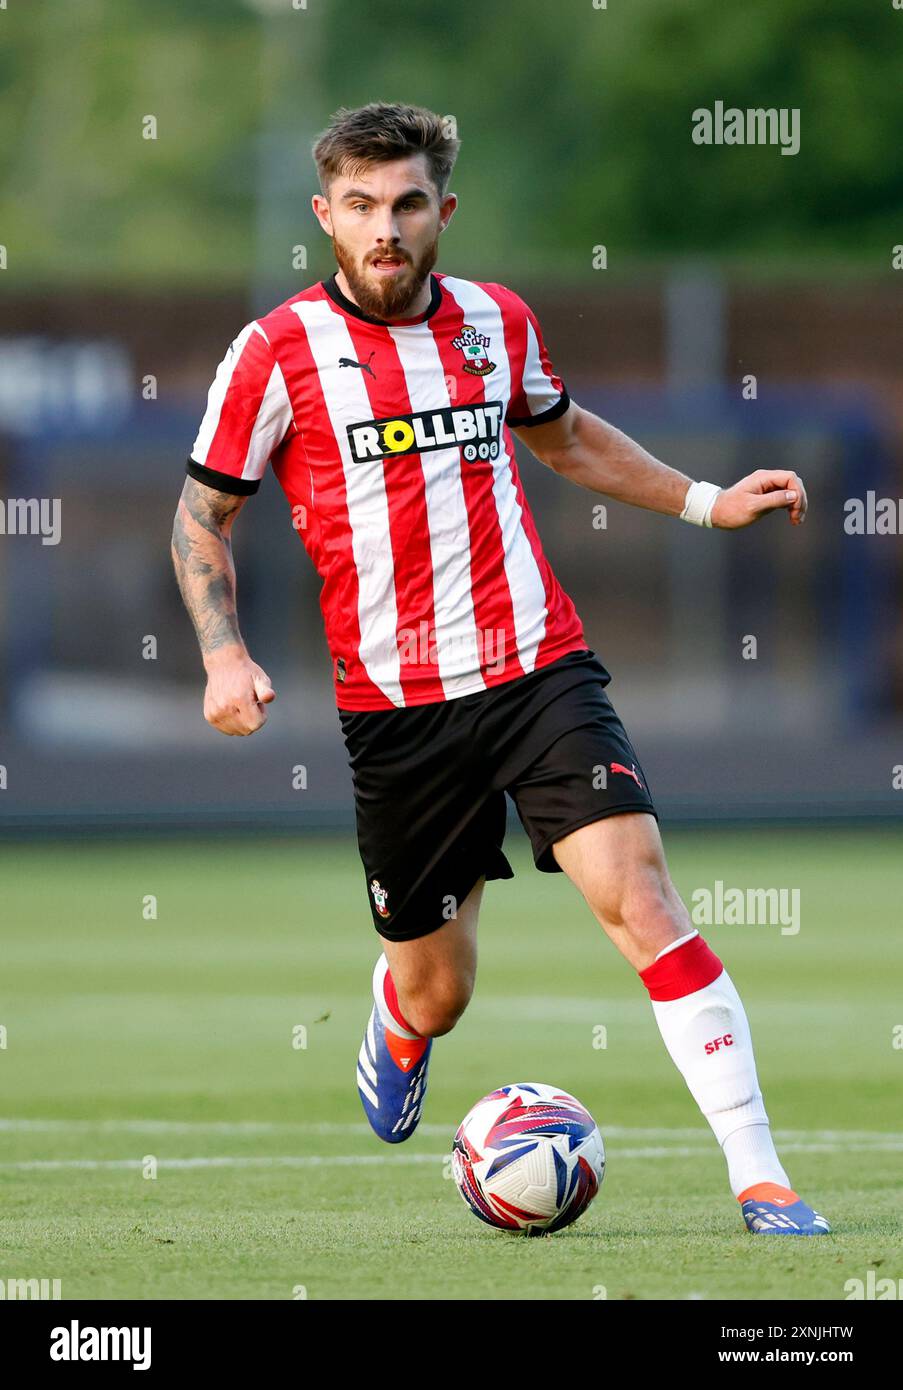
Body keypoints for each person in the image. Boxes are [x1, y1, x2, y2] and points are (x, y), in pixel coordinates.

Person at [171, 101, 828, 1236]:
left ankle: (763, 1179)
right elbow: (200, 516)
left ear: (444, 213)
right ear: (326, 215)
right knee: (442, 985)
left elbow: (566, 437)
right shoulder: (275, 353)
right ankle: (403, 1021)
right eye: (363, 207)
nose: (387, 228)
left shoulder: (494, 321)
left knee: (643, 899)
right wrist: (224, 654)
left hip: (538, 669)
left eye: (409, 204)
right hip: (397, 713)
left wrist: (709, 500)